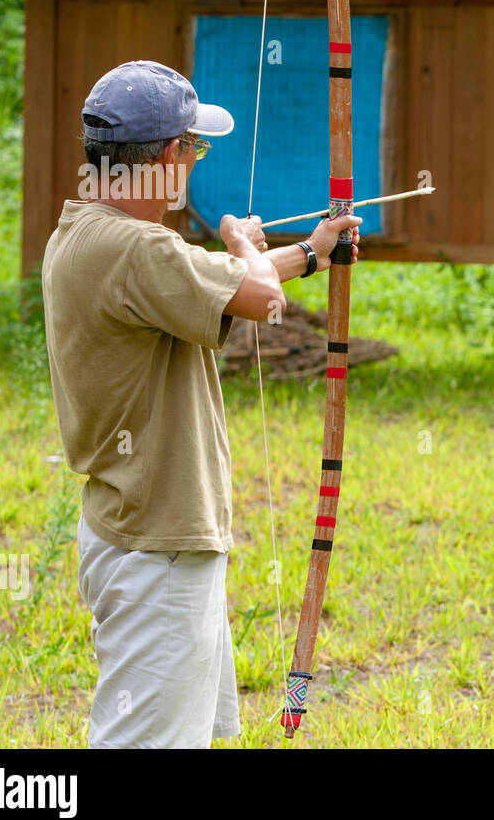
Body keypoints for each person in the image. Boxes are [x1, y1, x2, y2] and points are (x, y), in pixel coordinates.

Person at [41, 60, 361, 748]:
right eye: (193, 146)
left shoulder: (90, 233)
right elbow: (254, 296)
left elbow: (213, 280)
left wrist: (311, 252)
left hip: (144, 531)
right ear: (166, 156)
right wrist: (245, 246)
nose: (194, 161)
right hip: (156, 542)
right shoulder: (134, 249)